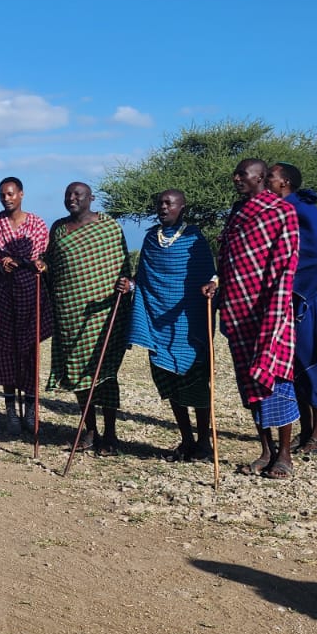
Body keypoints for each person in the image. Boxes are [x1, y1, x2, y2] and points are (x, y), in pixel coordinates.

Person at [205, 159, 300, 480]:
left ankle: (285, 454)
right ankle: (266, 450)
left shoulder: (280, 211)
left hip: (270, 309)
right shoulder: (237, 213)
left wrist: (275, 309)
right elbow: (228, 261)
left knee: (275, 376)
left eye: (242, 174)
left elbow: (287, 262)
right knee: (249, 382)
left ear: (260, 178)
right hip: (236, 309)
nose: (236, 178)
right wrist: (215, 285)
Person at [118, 191, 215, 463]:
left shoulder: (194, 237)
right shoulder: (151, 238)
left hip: (189, 321)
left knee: (196, 381)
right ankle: (186, 438)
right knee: (168, 378)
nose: (163, 207)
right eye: (160, 203)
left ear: (182, 207)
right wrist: (131, 285)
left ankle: (204, 441)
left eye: (169, 203)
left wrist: (212, 287)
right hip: (157, 320)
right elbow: (144, 278)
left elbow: (209, 274)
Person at [45, 182, 129, 455]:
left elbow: (123, 268)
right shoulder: (58, 228)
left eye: (78, 194)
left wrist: (125, 291)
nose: (72, 198)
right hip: (69, 311)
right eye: (68, 194)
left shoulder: (109, 228)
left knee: (104, 374)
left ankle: (111, 434)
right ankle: (89, 429)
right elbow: (52, 266)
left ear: (91, 198)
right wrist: (41, 267)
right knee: (78, 372)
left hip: (102, 315)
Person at [269, 162, 317, 455]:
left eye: (269, 176)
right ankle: (305, 430)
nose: (265, 180)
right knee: (290, 365)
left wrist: (295, 288)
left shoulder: (302, 211)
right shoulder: (276, 210)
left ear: (285, 182)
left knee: (311, 361)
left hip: (302, 300)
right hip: (279, 301)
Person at [0, 177, 50, 438]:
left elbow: (43, 259)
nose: (6, 198)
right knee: (6, 350)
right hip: (3, 294)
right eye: (2, 195)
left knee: (30, 353)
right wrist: (0, 266)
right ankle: (11, 413)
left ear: (21, 194)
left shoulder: (38, 224)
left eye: (10, 194)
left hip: (30, 293)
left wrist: (39, 265)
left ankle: (30, 411)